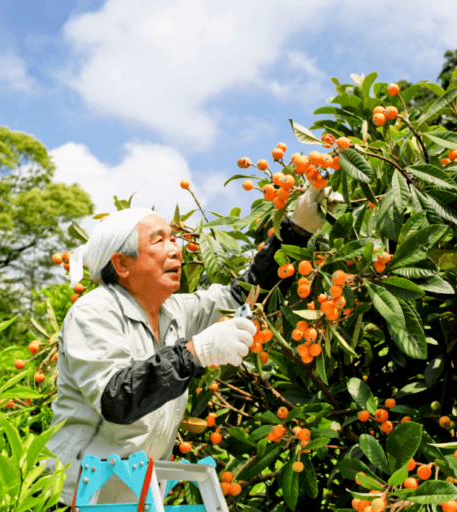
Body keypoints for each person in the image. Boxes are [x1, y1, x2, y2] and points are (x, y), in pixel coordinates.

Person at [43, 184, 340, 507]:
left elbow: (242, 296)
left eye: (174, 239)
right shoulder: (94, 312)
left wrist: (295, 231)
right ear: (122, 264)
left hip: (135, 498)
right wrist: (194, 353)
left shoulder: (175, 310)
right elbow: (116, 399)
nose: (176, 250)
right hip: (74, 497)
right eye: (158, 240)